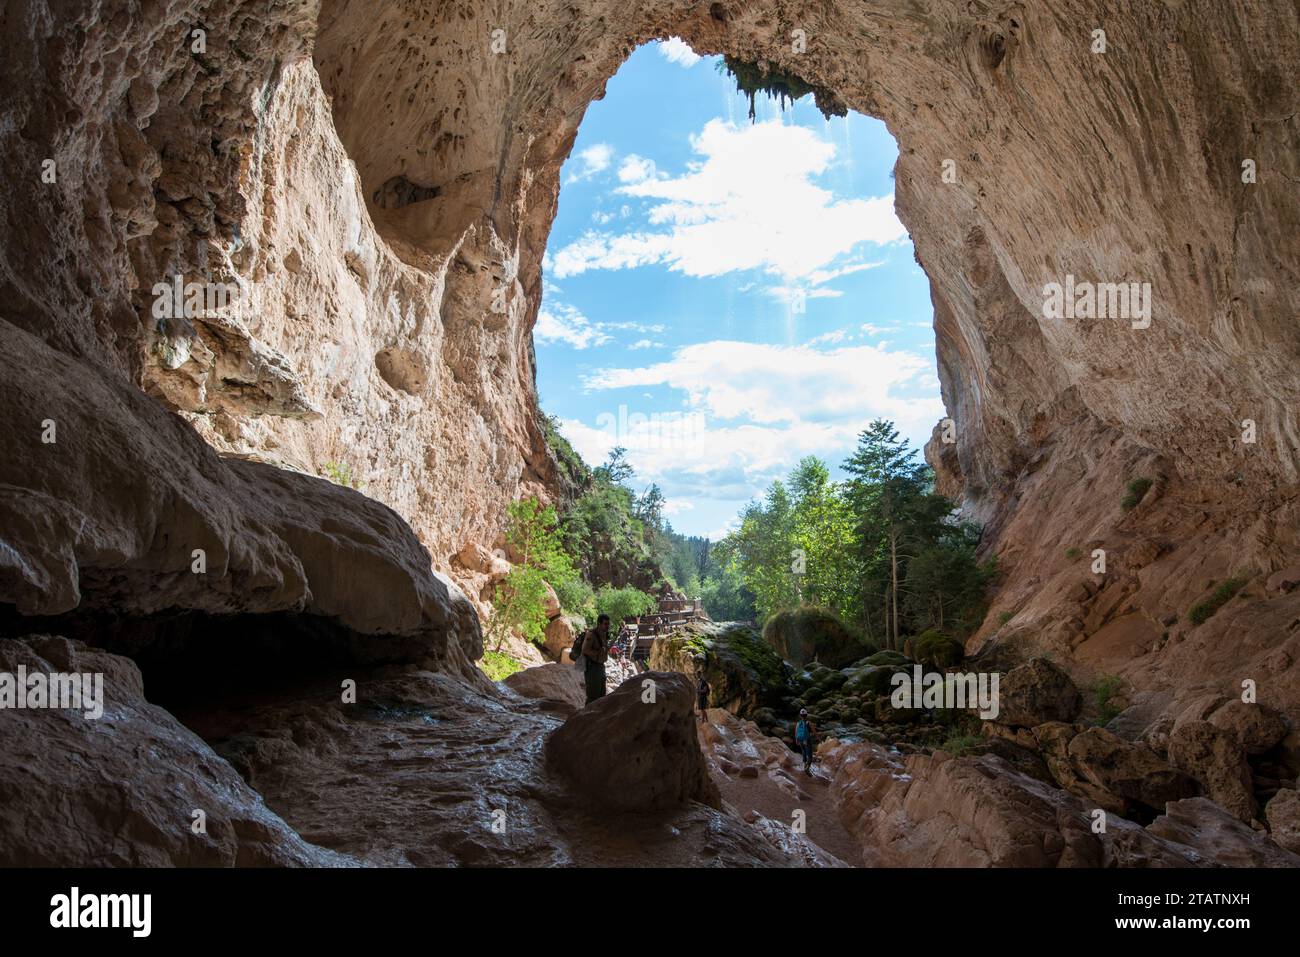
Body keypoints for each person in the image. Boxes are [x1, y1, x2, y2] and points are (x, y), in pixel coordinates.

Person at [581, 614, 612, 704]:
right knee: (592, 696)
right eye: (605, 624)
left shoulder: (604, 634)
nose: (607, 626)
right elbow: (585, 650)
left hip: (601, 666)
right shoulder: (591, 635)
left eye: (608, 624)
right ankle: (587, 716)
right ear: (599, 624)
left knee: (602, 694)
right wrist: (598, 652)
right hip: (592, 667)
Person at [795, 709, 817, 775]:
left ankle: (804, 765)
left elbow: (796, 732)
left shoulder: (798, 723)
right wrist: (818, 738)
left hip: (800, 739)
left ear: (800, 716)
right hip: (807, 740)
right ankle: (807, 767)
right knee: (809, 754)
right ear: (806, 715)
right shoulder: (808, 723)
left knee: (803, 751)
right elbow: (814, 731)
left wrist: (796, 740)